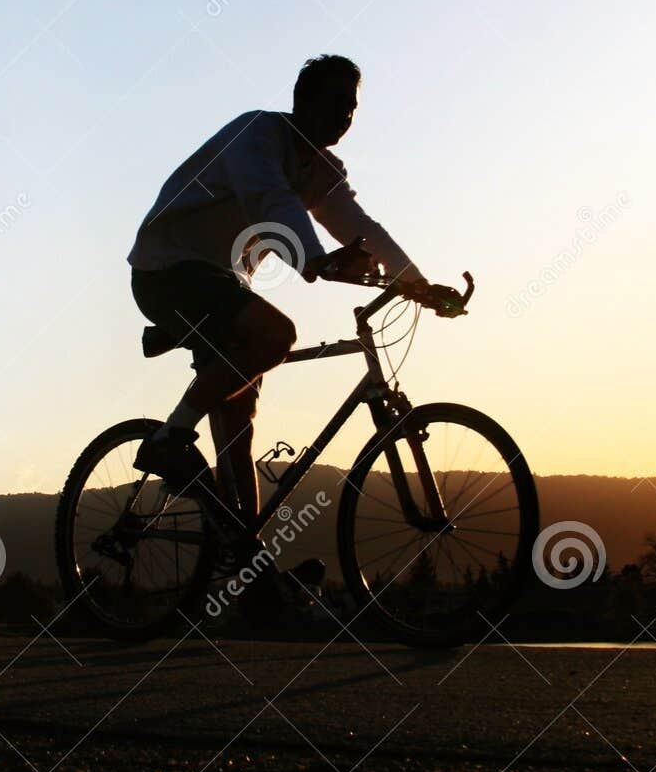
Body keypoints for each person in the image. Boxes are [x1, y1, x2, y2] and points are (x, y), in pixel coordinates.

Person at [128, 54, 462, 545]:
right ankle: (169, 439)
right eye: (334, 103)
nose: (344, 116)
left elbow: (360, 226)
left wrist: (418, 284)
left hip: (223, 285)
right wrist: (317, 259)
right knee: (276, 335)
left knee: (238, 427)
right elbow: (269, 199)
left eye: (351, 108)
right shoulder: (258, 135)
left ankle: (245, 560)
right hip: (167, 269)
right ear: (301, 99)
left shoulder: (323, 170)